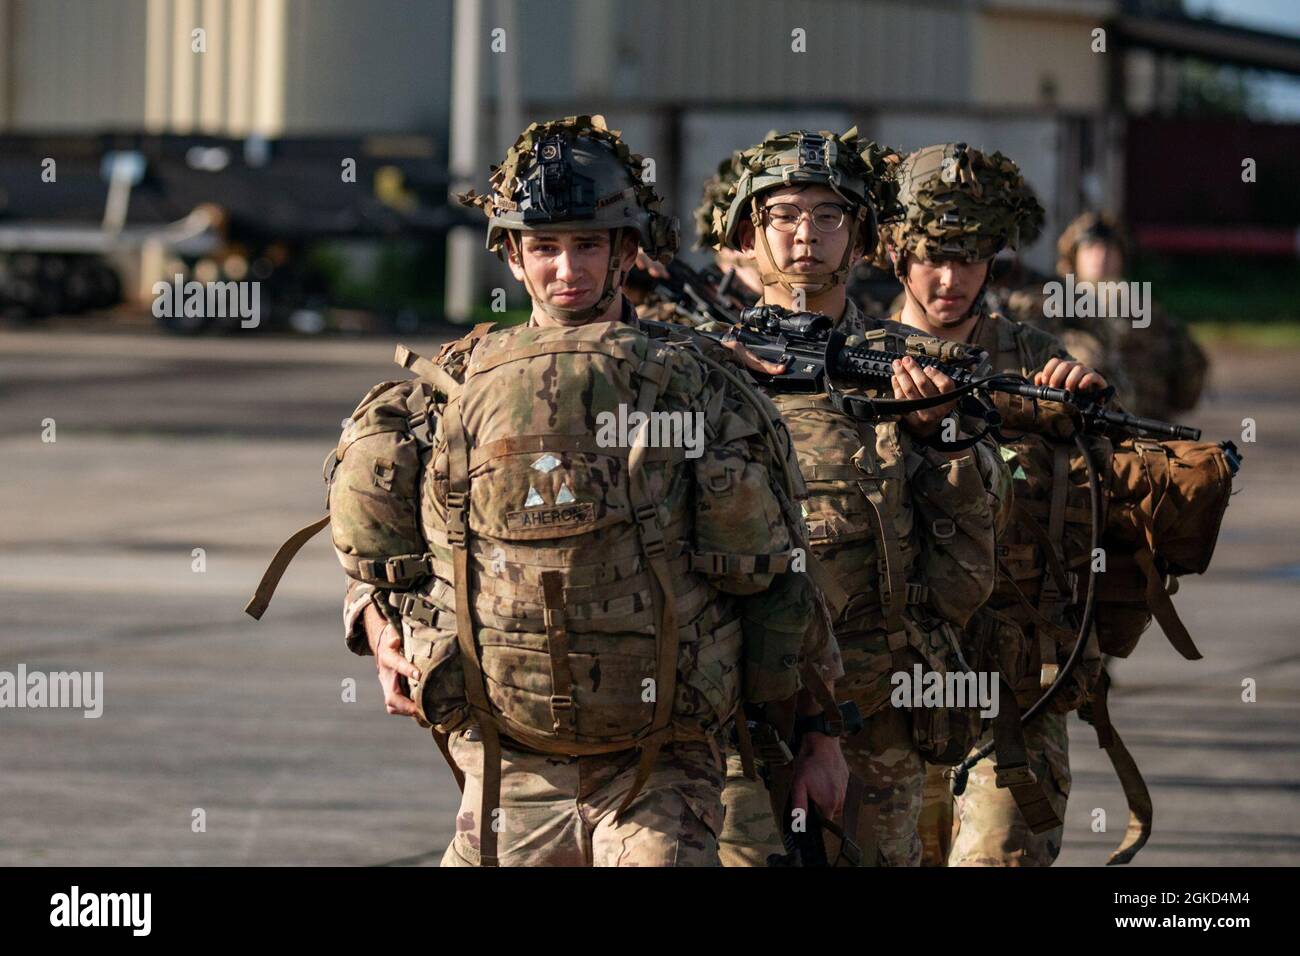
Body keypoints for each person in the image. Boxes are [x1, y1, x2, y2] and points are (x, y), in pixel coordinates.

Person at [340, 115, 846, 867]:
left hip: (660, 773)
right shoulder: (453, 388)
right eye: (545, 248)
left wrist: (821, 738)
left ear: (626, 252)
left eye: (588, 245)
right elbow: (378, 545)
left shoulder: (699, 387)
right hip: (509, 771)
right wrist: (379, 631)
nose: (566, 269)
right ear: (513, 256)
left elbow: (779, 581)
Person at [696, 128, 1011, 866]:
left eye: (830, 215)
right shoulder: (703, 372)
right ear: (748, 233)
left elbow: (965, 578)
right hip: (743, 720)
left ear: (863, 238)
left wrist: (943, 442)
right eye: (784, 215)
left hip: (877, 721)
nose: (806, 234)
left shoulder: (914, 376)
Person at [879, 142, 1108, 866]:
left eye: (971, 257)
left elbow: (1104, 509)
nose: (949, 279)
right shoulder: (853, 357)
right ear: (895, 251)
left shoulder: (1038, 359)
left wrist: (1085, 423)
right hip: (886, 691)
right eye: (932, 256)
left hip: (1014, 686)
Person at [1056, 211, 1207, 421]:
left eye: (1109, 248)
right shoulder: (1055, 312)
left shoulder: (1147, 312)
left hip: (1149, 430)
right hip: (1085, 435)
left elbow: (1187, 386)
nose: (1101, 256)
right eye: (1091, 247)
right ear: (1074, 257)